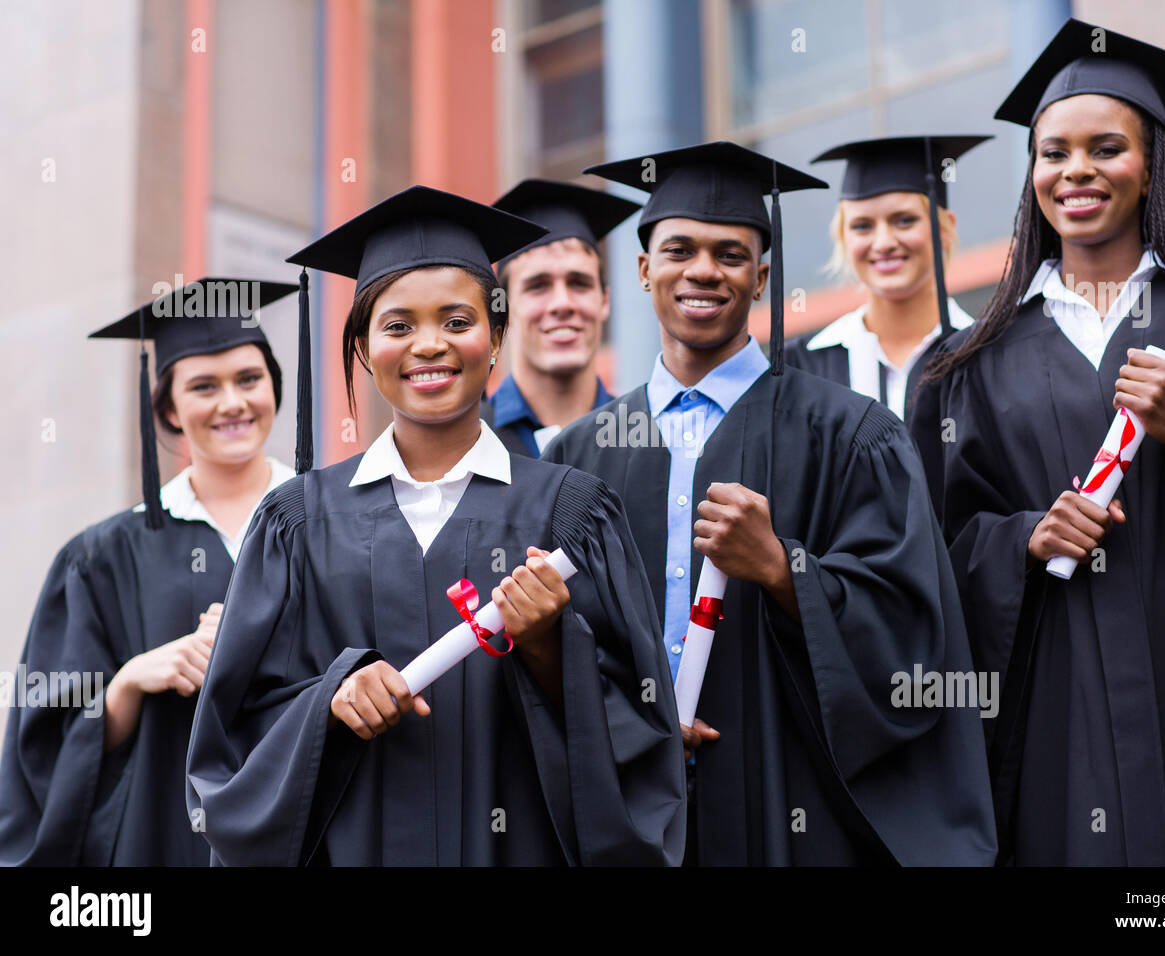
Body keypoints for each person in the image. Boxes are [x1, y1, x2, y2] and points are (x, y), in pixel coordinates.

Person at [185, 186, 685, 866]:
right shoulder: (295, 523)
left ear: (496, 336)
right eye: (397, 327)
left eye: (457, 321)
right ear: (362, 348)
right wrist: (332, 698)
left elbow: (644, 738)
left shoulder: (574, 514)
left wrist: (547, 648)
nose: (428, 345)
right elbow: (232, 741)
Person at [911, 18, 1165, 865]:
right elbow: (931, 555)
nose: (1077, 171)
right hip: (1054, 697)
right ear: (1032, 173)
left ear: (1152, 164)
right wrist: (1021, 539)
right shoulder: (968, 364)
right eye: (1054, 153)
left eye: (1106, 147)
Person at [545, 141, 996, 865]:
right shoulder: (578, 455)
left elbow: (914, 628)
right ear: (642, 270)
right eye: (680, 249)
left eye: (730, 255)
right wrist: (634, 724)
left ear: (760, 279)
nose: (703, 270)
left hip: (795, 794)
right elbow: (564, 640)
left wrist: (787, 572)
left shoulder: (851, 434)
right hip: (634, 804)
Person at [0, 277, 306, 865]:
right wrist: (129, 682)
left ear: (275, 384)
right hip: (165, 844)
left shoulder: (331, 523)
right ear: (168, 406)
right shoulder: (102, 558)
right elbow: (44, 752)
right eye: (203, 386)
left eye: (248, 379)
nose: (232, 403)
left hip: (310, 832)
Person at [784, 135, 990, 420]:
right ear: (842, 237)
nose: (883, 243)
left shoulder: (986, 354)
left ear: (945, 228)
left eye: (905, 220)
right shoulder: (801, 367)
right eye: (862, 226)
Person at [482, 179, 639, 456]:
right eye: (538, 285)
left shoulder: (642, 437)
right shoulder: (468, 442)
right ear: (503, 309)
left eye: (579, 283)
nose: (562, 304)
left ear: (604, 300)